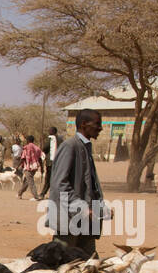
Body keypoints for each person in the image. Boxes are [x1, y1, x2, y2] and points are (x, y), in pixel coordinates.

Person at [47, 108, 107, 257]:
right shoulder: (70, 146)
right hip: (69, 219)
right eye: (97, 124)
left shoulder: (85, 147)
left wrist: (99, 207)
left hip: (85, 221)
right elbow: (59, 184)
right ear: (84, 124)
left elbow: (89, 184)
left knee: (89, 263)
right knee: (61, 262)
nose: (100, 128)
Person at [16, 134, 43, 201]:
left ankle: (36, 196)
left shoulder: (26, 147)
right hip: (35, 167)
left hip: (28, 167)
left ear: (27, 140)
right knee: (28, 181)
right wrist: (42, 167)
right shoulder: (37, 148)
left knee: (30, 182)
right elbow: (40, 159)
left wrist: (17, 166)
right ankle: (20, 193)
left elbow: (22, 158)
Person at [41, 126, 61, 193]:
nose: (48, 132)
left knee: (48, 179)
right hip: (58, 162)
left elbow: (45, 148)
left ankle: (43, 193)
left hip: (50, 162)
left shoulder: (51, 138)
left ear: (53, 131)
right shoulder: (60, 139)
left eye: (49, 130)